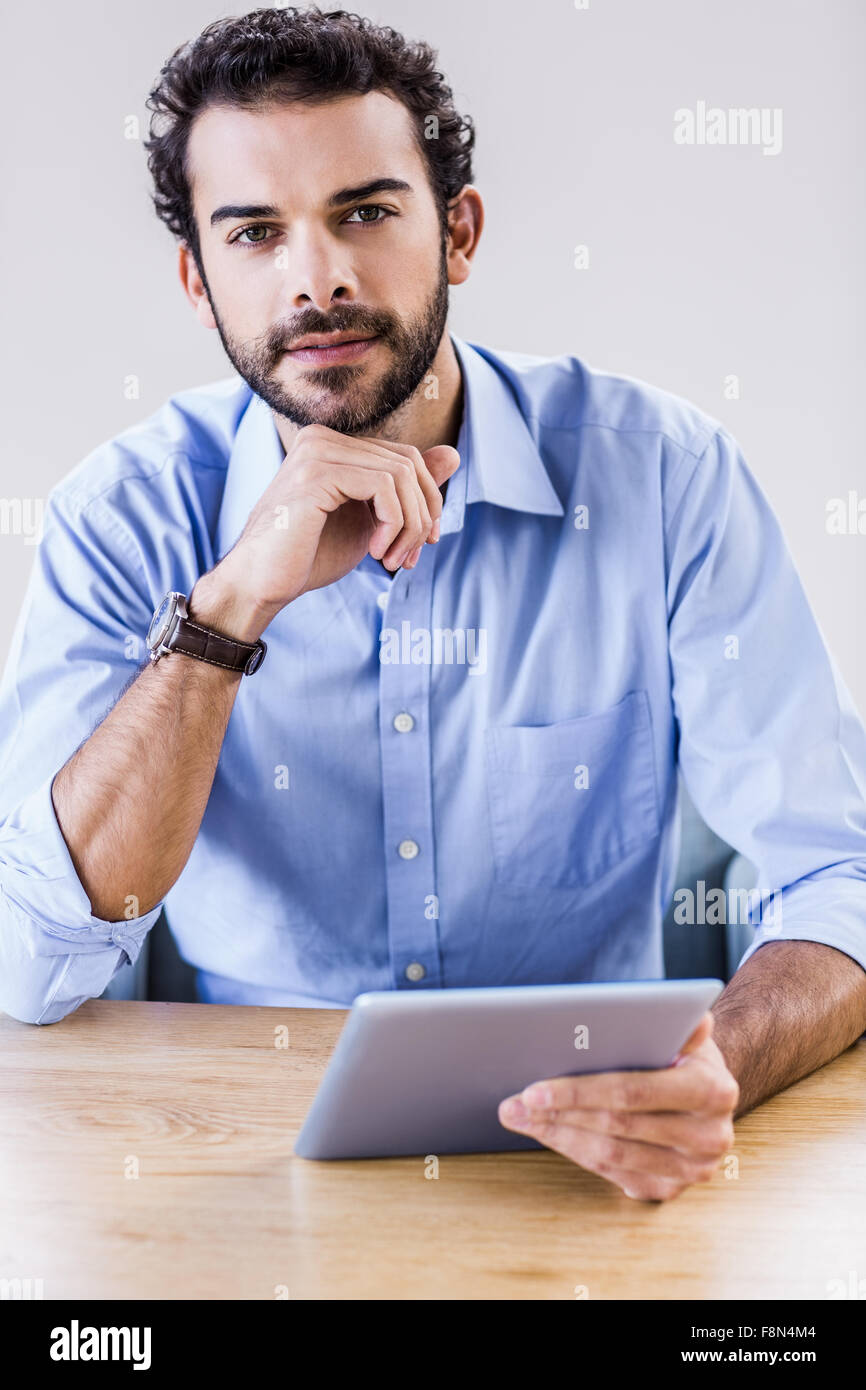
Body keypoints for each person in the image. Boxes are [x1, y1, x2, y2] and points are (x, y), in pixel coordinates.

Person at [1, 6, 864, 1202]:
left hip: (589, 1158)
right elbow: (32, 957)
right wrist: (230, 608)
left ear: (456, 229)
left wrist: (718, 1064)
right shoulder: (123, 516)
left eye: (365, 211)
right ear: (199, 283)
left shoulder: (662, 477)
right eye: (256, 233)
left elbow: (833, 871)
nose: (320, 279)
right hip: (229, 1162)